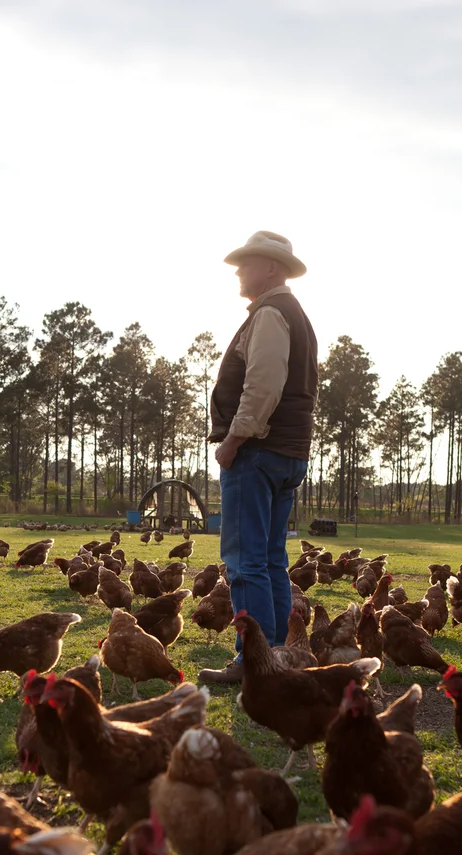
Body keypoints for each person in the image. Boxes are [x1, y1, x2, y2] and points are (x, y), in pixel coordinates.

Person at [199, 231, 317, 685]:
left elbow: (264, 385)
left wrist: (234, 438)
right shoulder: (296, 316)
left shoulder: (270, 313)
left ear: (270, 268)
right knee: (270, 560)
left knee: (246, 561)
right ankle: (281, 656)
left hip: (259, 452)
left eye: (246, 263)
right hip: (288, 452)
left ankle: (255, 660)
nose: (238, 271)